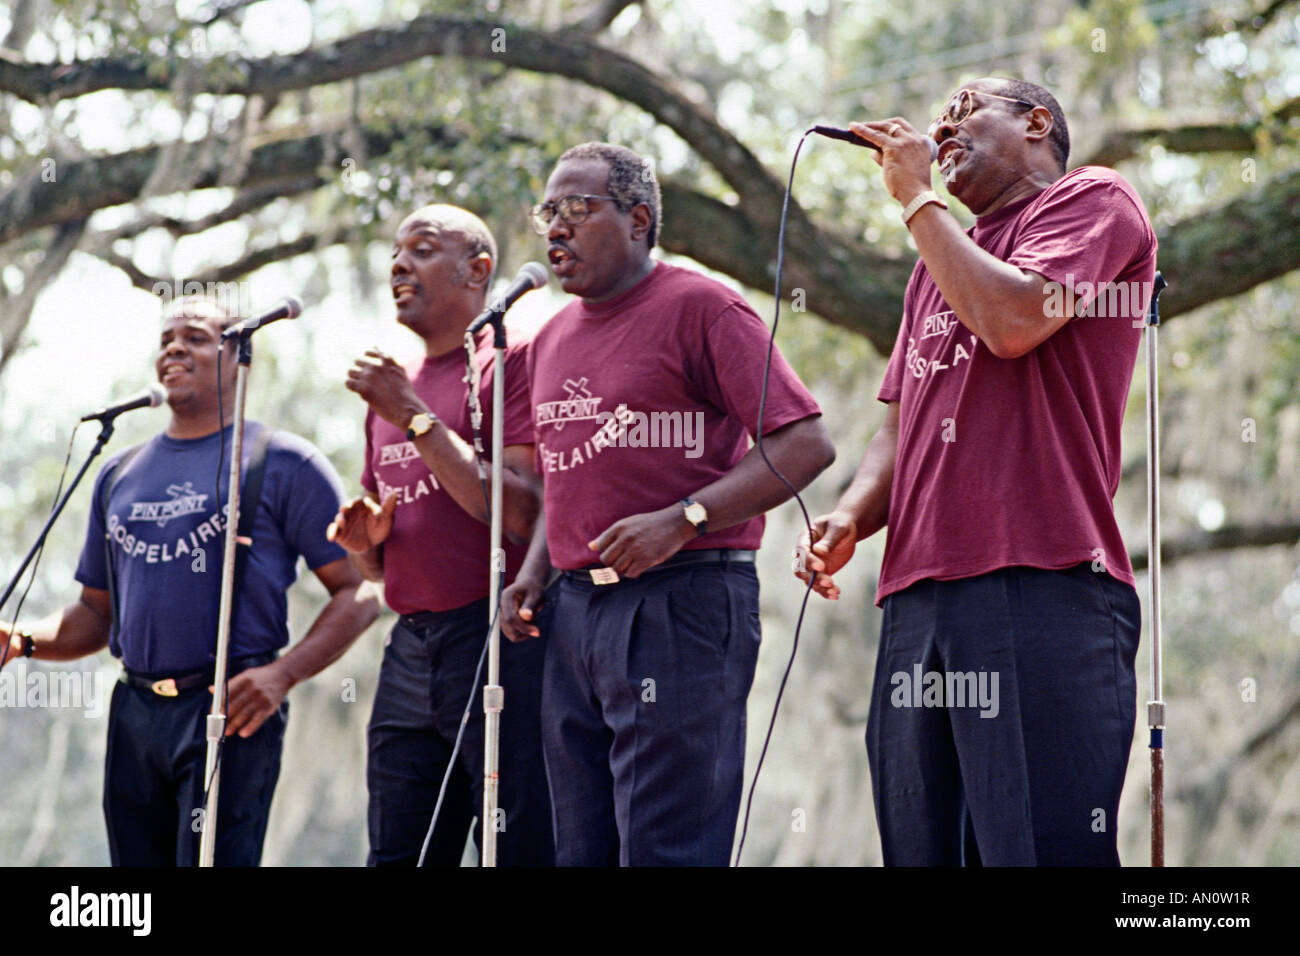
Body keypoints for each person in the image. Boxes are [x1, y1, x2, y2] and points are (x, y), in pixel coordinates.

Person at [795, 78, 1157, 866]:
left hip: (1040, 579)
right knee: (921, 848)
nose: (942, 126)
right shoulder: (935, 268)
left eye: (965, 109)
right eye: (937, 120)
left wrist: (917, 199)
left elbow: (1015, 320)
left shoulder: (1094, 198)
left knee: (1035, 847)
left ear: (1036, 124)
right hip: (917, 601)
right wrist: (852, 516)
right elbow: (900, 423)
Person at [501, 142, 835, 866]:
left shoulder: (702, 306)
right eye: (547, 212)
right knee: (582, 848)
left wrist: (683, 518)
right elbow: (567, 472)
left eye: (578, 209)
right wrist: (536, 571)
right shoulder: (549, 340)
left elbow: (806, 441)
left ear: (639, 219)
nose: (555, 228)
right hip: (576, 616)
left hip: (683, 604)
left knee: (665, 848)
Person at [1, 296, 379, 866]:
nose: (174, 347)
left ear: (238, 353)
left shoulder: (282, 461)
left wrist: (283, 674)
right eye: (166, 339)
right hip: (134, 712)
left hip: (229, 709)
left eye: (197, 336)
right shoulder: (119, 472)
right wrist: (24, 641)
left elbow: (360, 591)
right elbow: (94, 616)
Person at [327, 204, 554, 866]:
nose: (399, 264)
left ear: (478, 270)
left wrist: (417, 417)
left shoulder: (510, 362)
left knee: (514, 846)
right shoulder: (396, 392)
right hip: (410, 648)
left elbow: (525, 511)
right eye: (395, 253)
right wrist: (367, 545)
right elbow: (378, 567)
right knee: (397, 852)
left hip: (496, 637)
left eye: (422, 250)